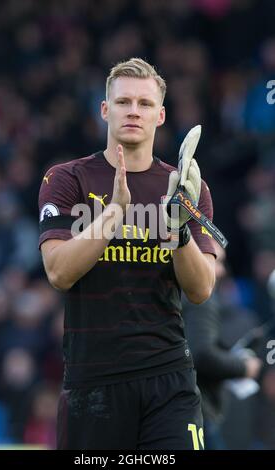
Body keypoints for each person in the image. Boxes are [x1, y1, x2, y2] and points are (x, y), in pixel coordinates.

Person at [38, 58, 216, 450]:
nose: (133, 111)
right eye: (123, 102)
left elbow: (201, 289)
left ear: (161, 115)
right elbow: (58, 272)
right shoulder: (67, 179)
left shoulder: (186, 189)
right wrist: (114, 212)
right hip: (93, 382)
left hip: (169, 378)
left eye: (145, 103)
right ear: (105, 110)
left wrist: (177, 227)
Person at [184, 241, 262, 449]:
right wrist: (245, 367)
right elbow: (201, 354)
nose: (221, 271)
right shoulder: (201, 297)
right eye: (216, 260)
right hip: (197, 410)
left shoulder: (172, 291)